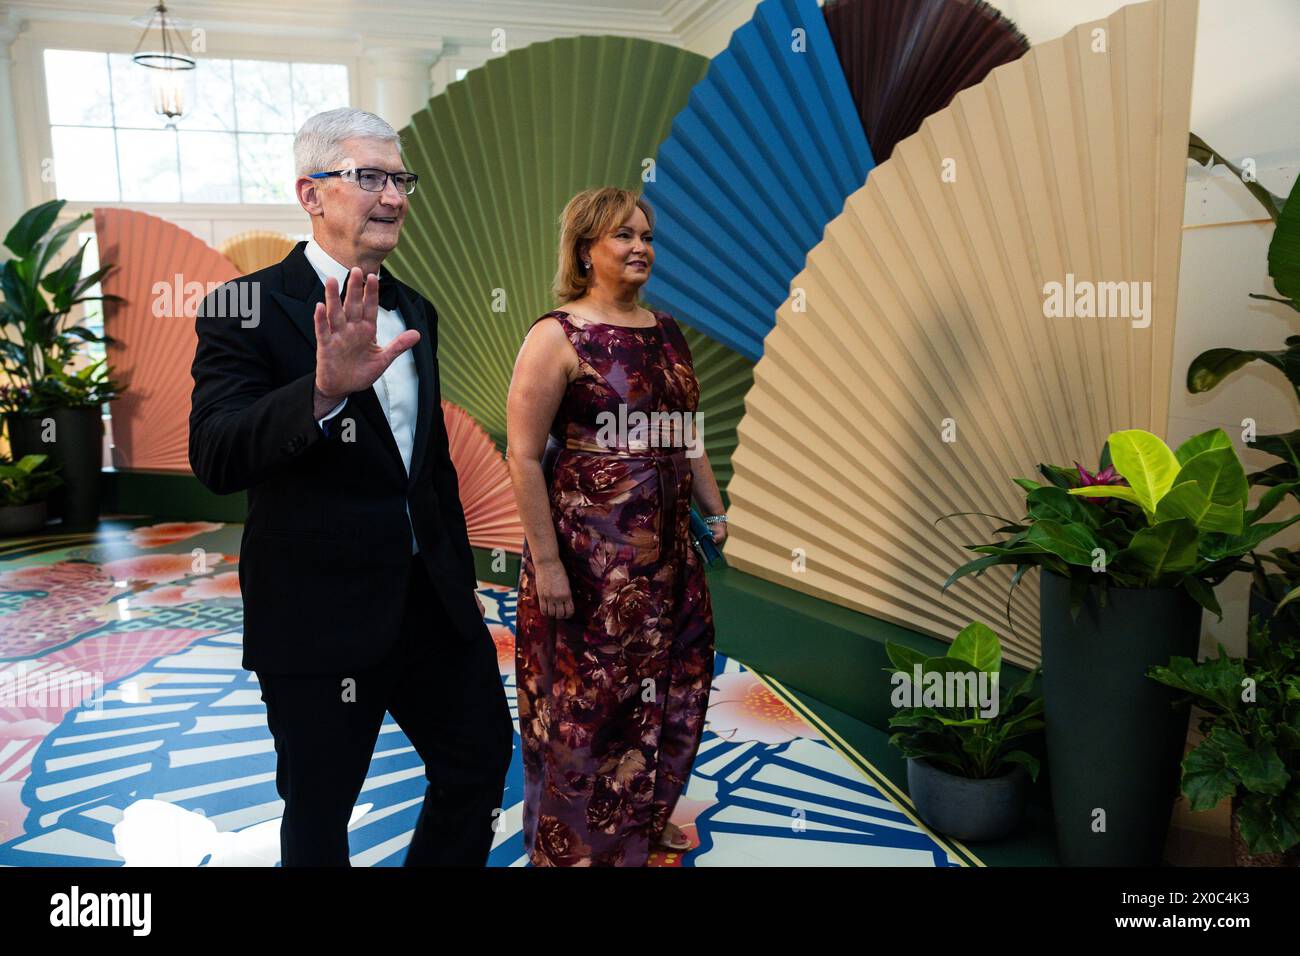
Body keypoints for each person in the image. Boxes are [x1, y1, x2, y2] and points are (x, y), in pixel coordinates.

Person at [188, 107, 513, 867]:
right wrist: (321, 391)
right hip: (315, 617)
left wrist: (455, 579)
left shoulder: (415, 309)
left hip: (431, 607)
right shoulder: (245, 307)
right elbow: (217, 455)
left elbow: (427, 466)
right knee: (320, 809)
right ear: (312, 192)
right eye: (370, 177)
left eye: (401, 179)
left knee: (478, 761)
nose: (394, 197)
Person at [506, 186, 727, 866]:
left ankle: (645, 817)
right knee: (589, 702)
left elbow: (686, 434)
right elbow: (521, 455)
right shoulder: (556, 336)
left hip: (670, 559)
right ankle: (577, 844)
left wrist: (715, 509)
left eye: (646, 235)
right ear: (584, 250)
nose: (640, 247)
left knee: (677, 685)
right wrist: (546, 564)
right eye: (622, 236)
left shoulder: (666, 332)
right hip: (587, 562)